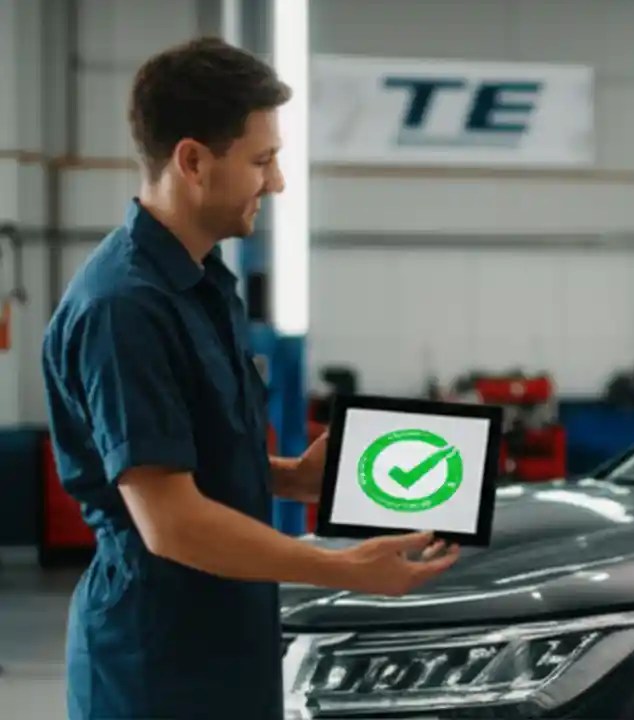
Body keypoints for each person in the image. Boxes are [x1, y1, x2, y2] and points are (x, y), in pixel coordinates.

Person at [42, 38, 460, 719]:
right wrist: (346, 569)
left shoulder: (203, 284)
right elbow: (170, 521)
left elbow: (183, 457)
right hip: (158, 662)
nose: (278, 183)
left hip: (226, 639)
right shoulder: (125, 308)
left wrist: (292, 476)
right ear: (193, 161)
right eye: (262, 160)